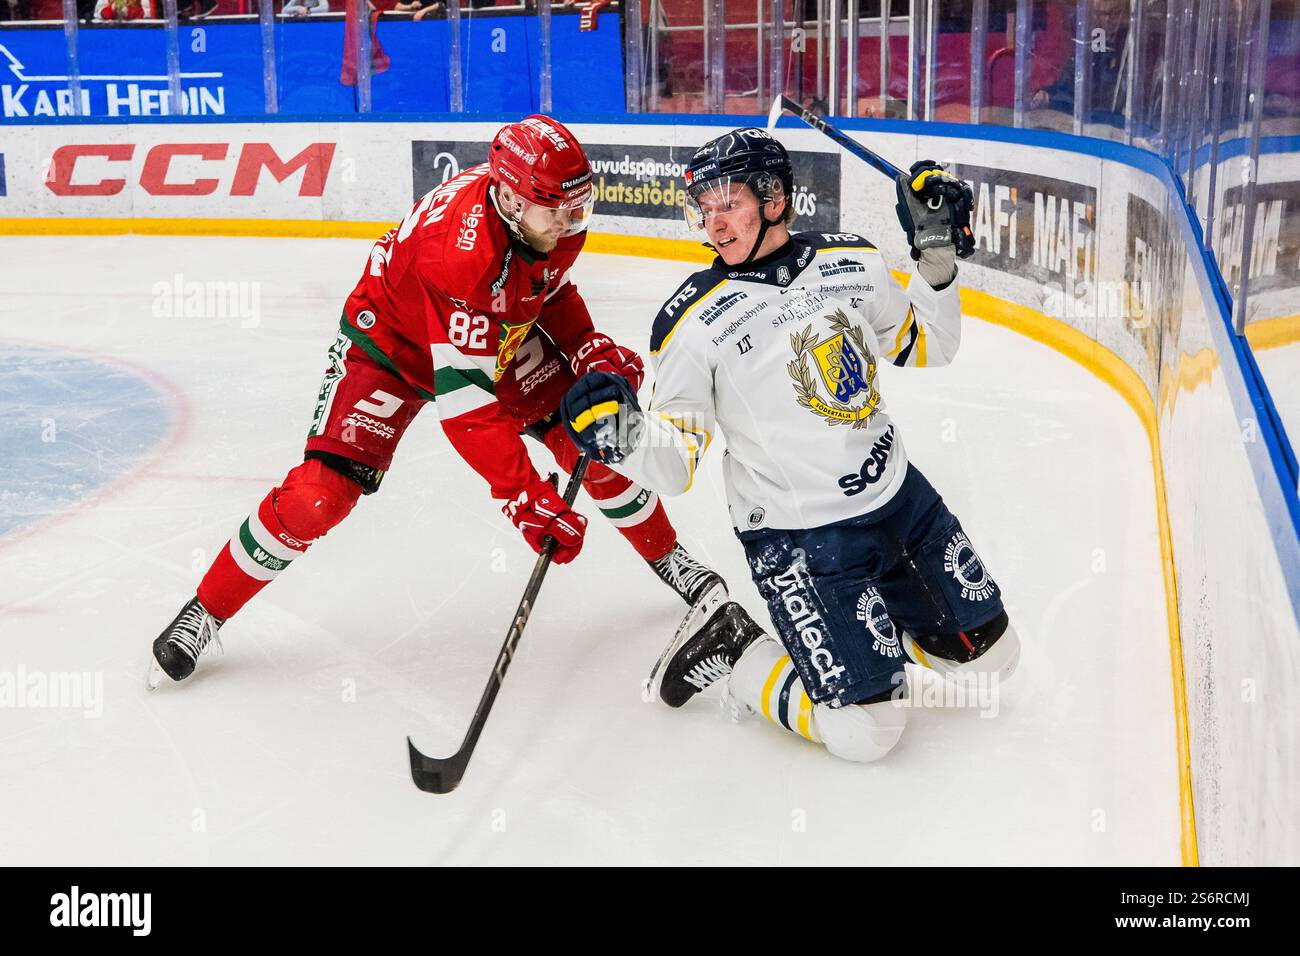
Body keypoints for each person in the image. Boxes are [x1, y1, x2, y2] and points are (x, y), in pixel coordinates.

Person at [149, 115, 725, 688]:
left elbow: (546, 287)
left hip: (487, 331)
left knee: (592, 437)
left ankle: (668, 556)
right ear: (510, 199)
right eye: (561, 211)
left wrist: (586, 349)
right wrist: (523, 495)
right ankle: (206, 609)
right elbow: (469, 411)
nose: (573, 224)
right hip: (393, 348)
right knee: (319, 496)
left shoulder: (543, 216)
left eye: (580, 208)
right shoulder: (462, 257)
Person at [561, 127, 1020, 763]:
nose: (713, 223)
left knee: (991, 662)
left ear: (773, 198)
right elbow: (675, 464)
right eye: (704, 207)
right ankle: (734, 646)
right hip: (803, 539)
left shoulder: (850, 261)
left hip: (900, 502)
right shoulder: (692, 325)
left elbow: (928, 343)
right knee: (868, 735)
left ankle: (874, 626)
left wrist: (936, 262)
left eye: (729, 203)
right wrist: (623, 436)